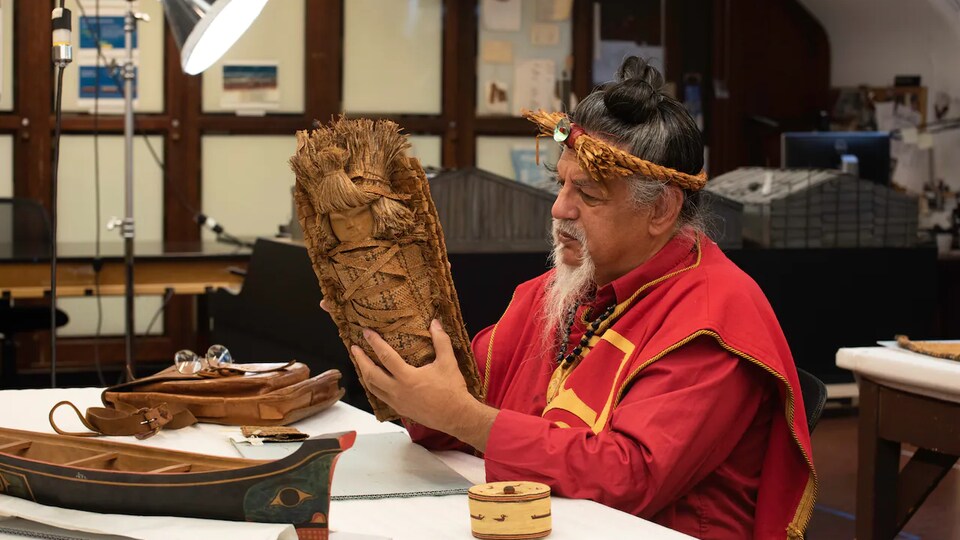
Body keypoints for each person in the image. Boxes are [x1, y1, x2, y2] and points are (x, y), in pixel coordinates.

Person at [343, 57, 816, 539]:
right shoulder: (561, 290)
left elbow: (629, 476)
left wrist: (463, 416)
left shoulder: (714, 317)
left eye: (587, 193)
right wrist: (384, 326)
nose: (559, 208)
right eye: (560, 184)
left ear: (661, 208)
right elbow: (448, 411)